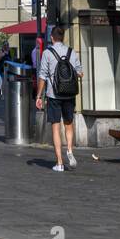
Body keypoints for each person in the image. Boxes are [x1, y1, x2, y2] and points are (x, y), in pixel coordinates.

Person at [36, 24, 83, 172]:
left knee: (56, 127)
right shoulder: (71, 52)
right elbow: (80, 73)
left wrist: (39, 96)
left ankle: (60, 163)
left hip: (53, 94)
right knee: (69, 124)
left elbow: (42, 76)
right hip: (69, 94)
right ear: (63, 37)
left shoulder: (47, 53)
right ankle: (69, 149)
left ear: (51, 38)